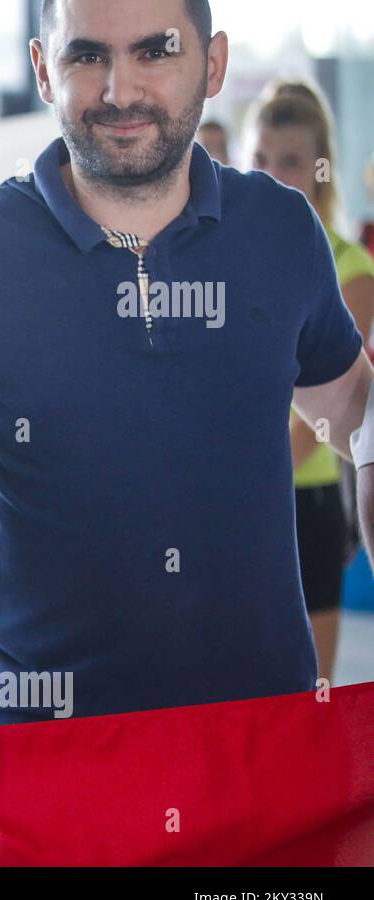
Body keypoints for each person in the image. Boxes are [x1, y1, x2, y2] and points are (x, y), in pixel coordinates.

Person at [0, 0, 373, 726]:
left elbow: (354, 416)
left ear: (213, 64)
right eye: (87, 56)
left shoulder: (280, 229)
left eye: (155, 52)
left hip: (262, 751)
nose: (121, 91)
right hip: (46, 759)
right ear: (42, 70)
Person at [249, 79, 374, 681]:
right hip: (233, 494)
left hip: (299, 499)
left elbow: (318, 412)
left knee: (310, 694)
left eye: (291, 162)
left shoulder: (349, 265)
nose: (272, 174)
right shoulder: (223, 264)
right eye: (260, 159)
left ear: (321, 171)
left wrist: (239, 491)